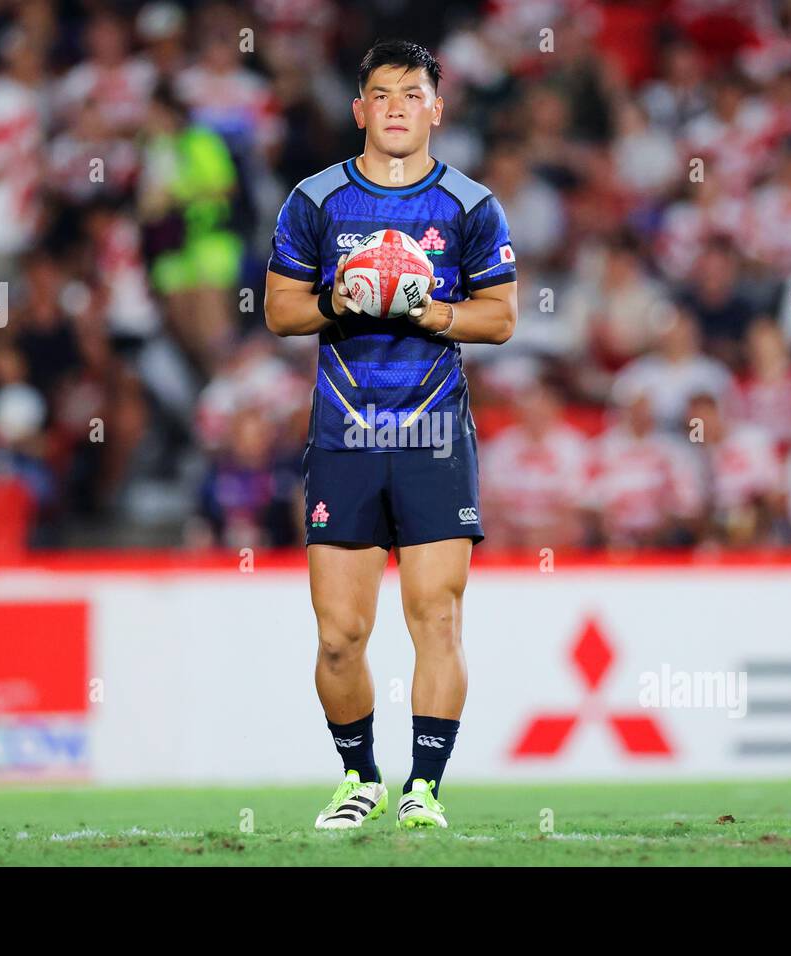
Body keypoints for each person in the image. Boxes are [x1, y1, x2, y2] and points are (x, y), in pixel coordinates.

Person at [263, 41, 517, 830]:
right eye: (382, 94)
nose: (398, 107)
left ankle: (425, 790)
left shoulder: (472, 206)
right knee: (340, 635)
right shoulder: (316, 199)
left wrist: (426, 310)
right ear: (360, 110)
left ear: (437, 108)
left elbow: (501, 319)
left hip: (436, 431)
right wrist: (344, 300)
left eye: (414, 94)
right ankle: (358, 777)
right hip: (345, 432)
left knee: (435, 617)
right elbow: (279, 311)